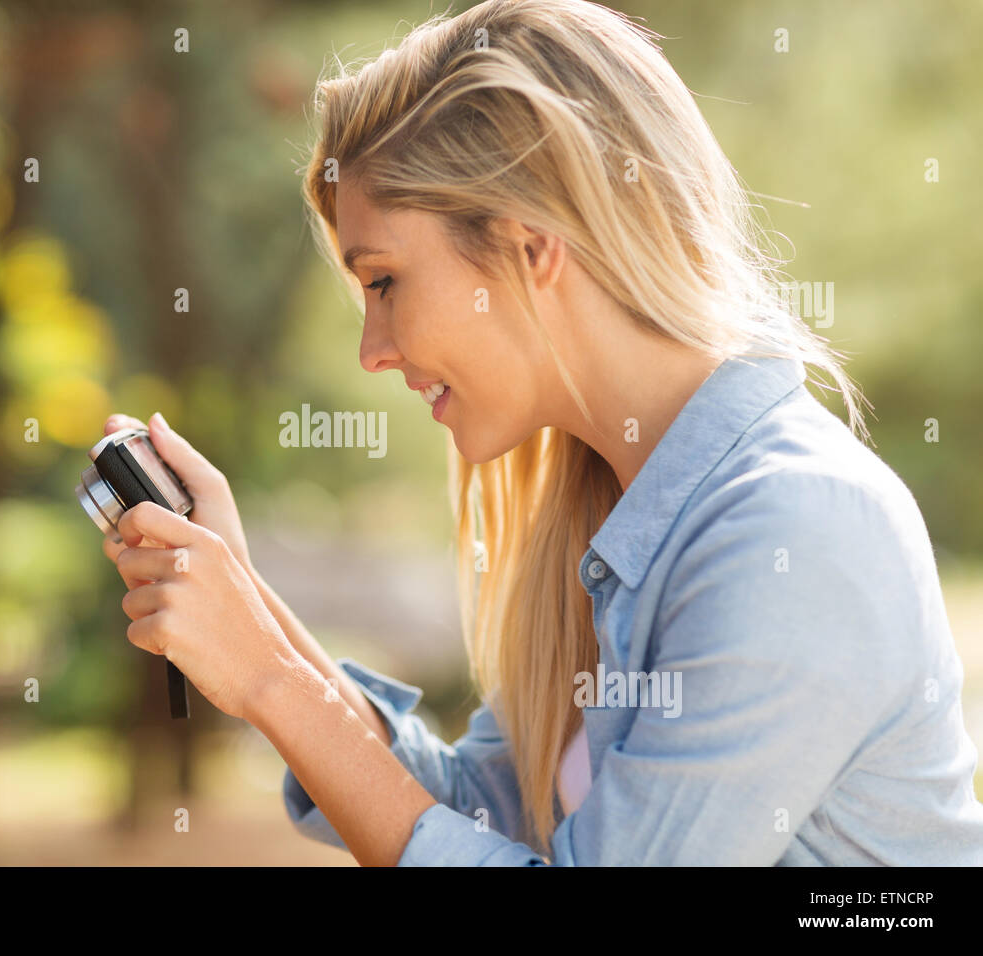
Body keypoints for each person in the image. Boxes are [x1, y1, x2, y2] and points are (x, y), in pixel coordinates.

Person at [101, 0, 983, 865]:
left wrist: (272, 681)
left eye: (384, 282)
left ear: (531, 246)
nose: (373, 350)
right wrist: (248, 610)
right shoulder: (615, 511)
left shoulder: (793, 527)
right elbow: (480, 814)